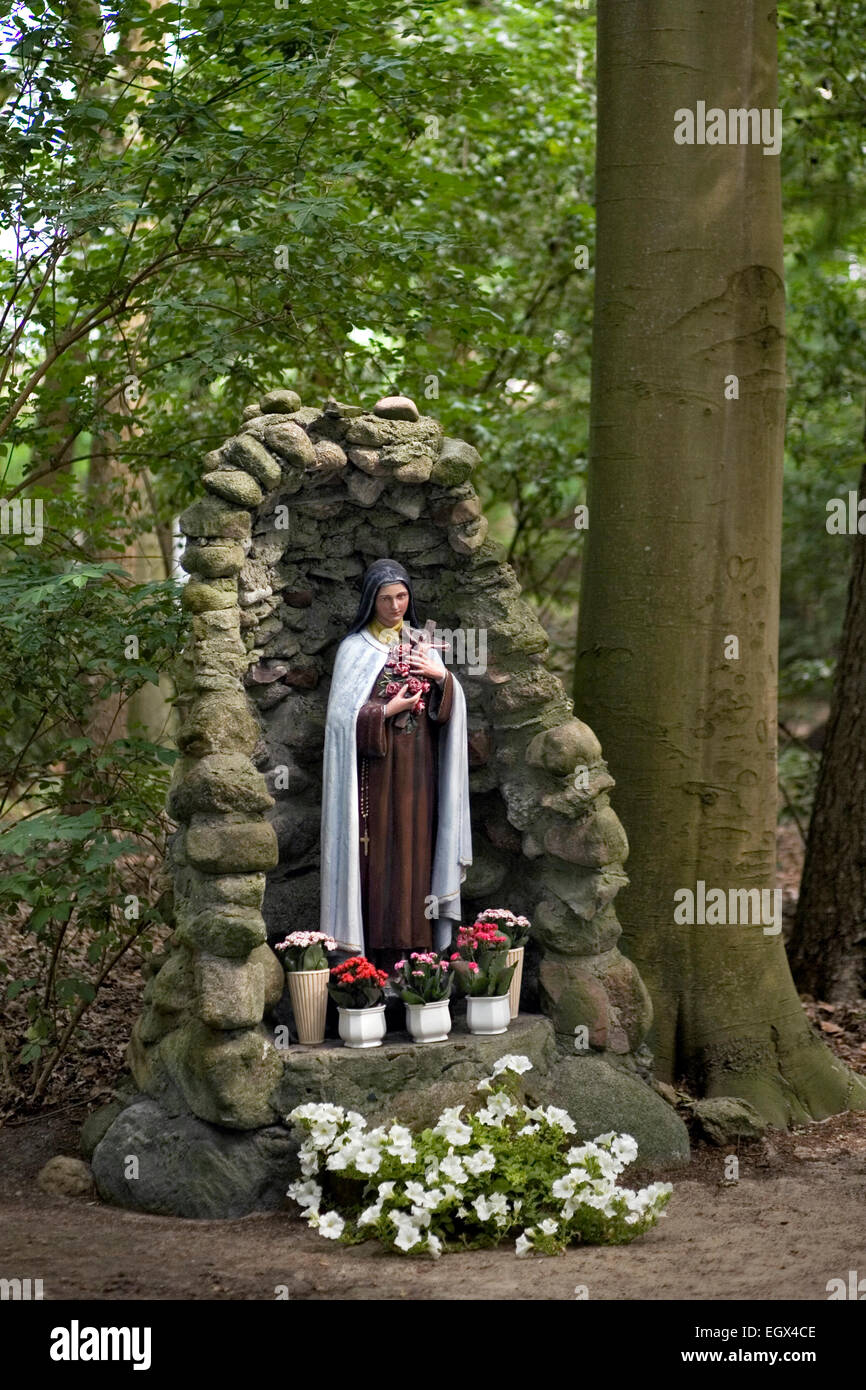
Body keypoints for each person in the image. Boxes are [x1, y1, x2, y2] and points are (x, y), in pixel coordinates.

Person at [320, 558, 472, 962]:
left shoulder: (421, 642)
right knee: (382, 860)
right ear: (371, 601)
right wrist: (386, 712)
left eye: (402, 596)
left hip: (420, 772)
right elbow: (340, 722)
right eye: (386, 598)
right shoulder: (354, 650)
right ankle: (378, 961)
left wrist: (441, 678)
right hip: (376, 778)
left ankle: (420, 956)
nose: (395, 606)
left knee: (417, 854)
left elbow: (448, 711)